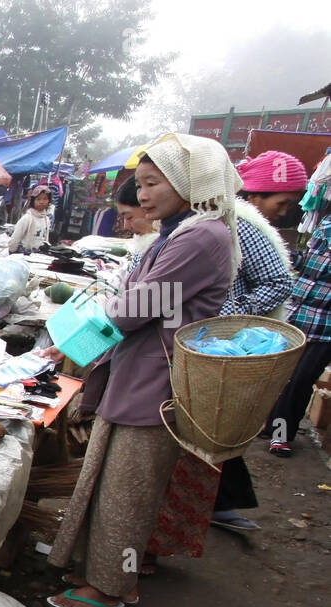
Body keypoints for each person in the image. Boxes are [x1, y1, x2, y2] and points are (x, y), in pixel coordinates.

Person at [45, 133, 240, 607]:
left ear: (188, 182)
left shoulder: (202, 236)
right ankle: (96, 567)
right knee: (111, 478)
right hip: (138, 371)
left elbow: (137, 307)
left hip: (157, 381)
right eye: (141, 183)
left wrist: (76, 336)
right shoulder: (179, 232)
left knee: (129, 488)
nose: (144, 193)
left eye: (153, 183)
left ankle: (113, 587)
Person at [146, 150, 304, 551]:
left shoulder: (231, 227)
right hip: (193, 343)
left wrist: (222, 321)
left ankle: (180, 529)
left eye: (152, 185)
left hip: (209, 347)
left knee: (201, 436)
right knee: (196, 438)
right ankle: (179, 528)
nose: (284, 213)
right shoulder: (203, 226)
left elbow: (277, 283)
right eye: (280, 202)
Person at [265, 213, 331, 457]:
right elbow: (309, 262)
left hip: (324, 328)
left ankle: (281, 435)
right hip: (295, 316)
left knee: (297, 382)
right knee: (278, 376)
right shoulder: (326, 224)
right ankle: (271, 425)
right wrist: (285, 256)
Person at [7, 185, 52, 253]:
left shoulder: (46, 220)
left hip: (38, 255)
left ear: (49, 201)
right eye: (38, 199)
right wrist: (12, 252)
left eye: (45, 199)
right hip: (24, 255)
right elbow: (14, 240)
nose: (41, 202)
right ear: (33, 201)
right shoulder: (27, 218)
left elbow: (46, 239)